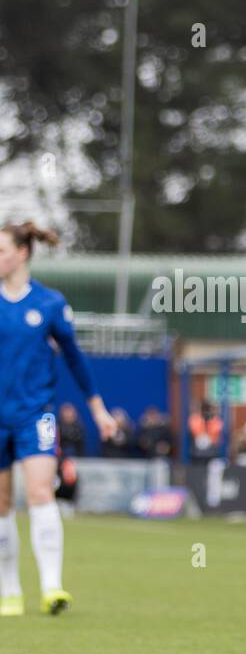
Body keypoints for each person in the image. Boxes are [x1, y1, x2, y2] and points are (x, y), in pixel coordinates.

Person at [0, 221, 117, 616]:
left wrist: (97, 409)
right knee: (1, 505)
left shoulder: (49, 303)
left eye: (1, 250)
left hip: (37, 414)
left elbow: (75, 358)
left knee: (39, 492)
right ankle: (10, 591)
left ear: (22, 253)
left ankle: (52, 587)